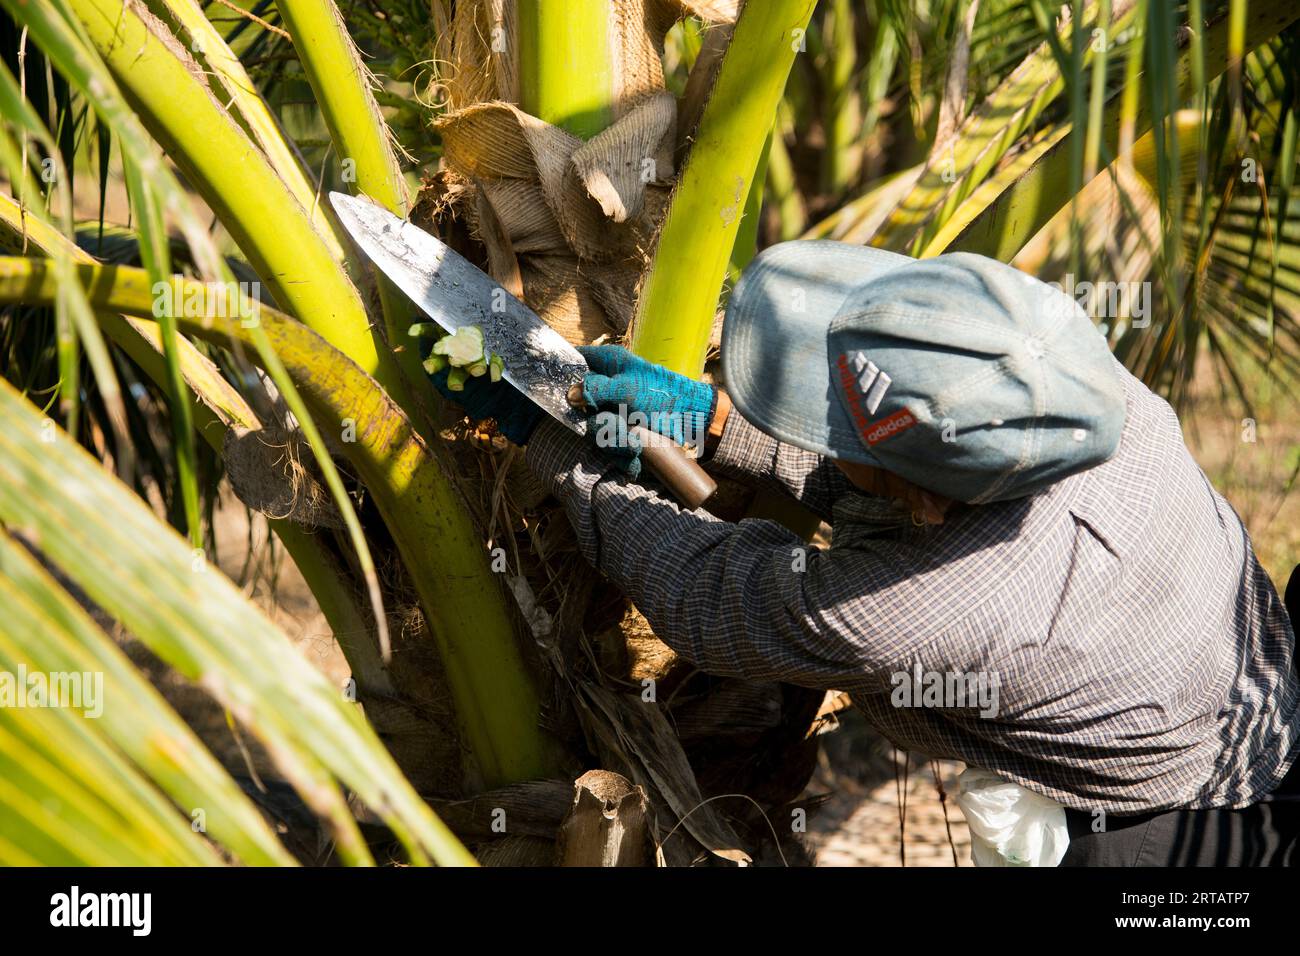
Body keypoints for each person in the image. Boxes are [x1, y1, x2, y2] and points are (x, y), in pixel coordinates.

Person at [432, 241, 1300, 866]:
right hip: (1252, 697)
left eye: (833, 432)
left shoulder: (937, 604)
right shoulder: (1071, 386)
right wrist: (713, 422)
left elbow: (713, 594)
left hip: (1174, 836)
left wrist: (558, 453)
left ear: (922, 503)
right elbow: (900, 467)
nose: (816, 432)